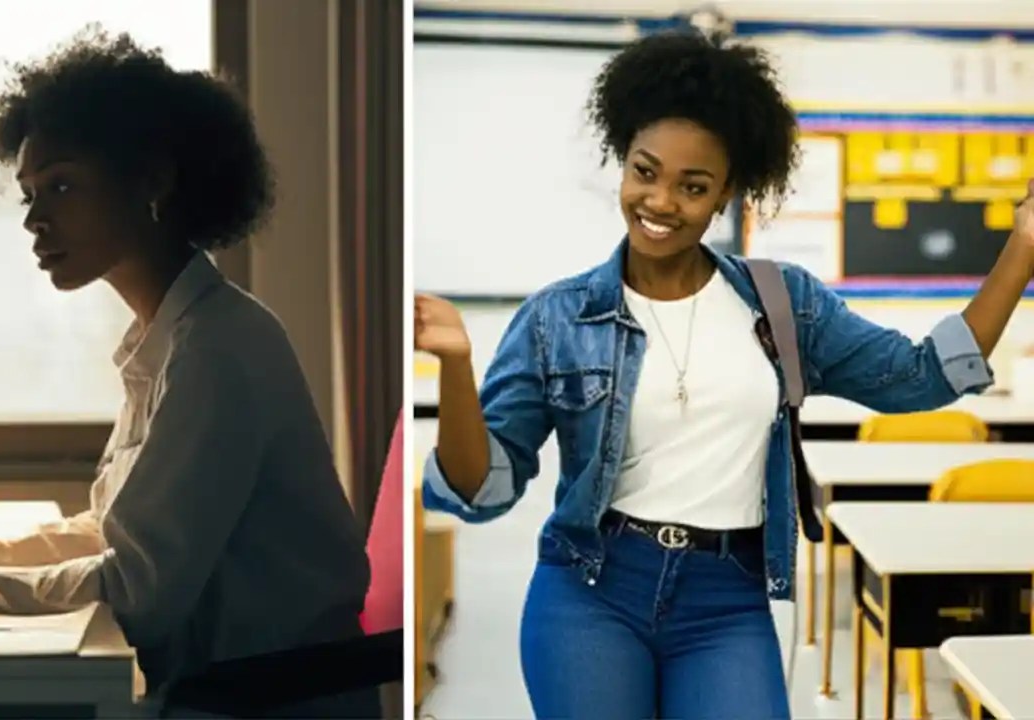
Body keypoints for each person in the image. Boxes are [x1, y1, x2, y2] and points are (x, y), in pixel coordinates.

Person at [415, 31, 1033, 720]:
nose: (660, 201)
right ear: (622, 160)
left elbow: (918, 377)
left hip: (726, 601)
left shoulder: (783, 303)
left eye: (694, 186)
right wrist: (457, 368)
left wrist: (1024, 247)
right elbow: (481, 487)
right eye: (644, 172)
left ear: (728, 194)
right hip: (591, 592)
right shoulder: (557, 317)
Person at [0, 24, 375, 719]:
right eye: (29, 193)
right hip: (204, 687)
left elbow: (138, 597)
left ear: (151, 182)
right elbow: (103, 532)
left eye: (61, 186)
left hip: (250, 704)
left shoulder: (219, 350)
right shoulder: (167, 338)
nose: (35, 219)